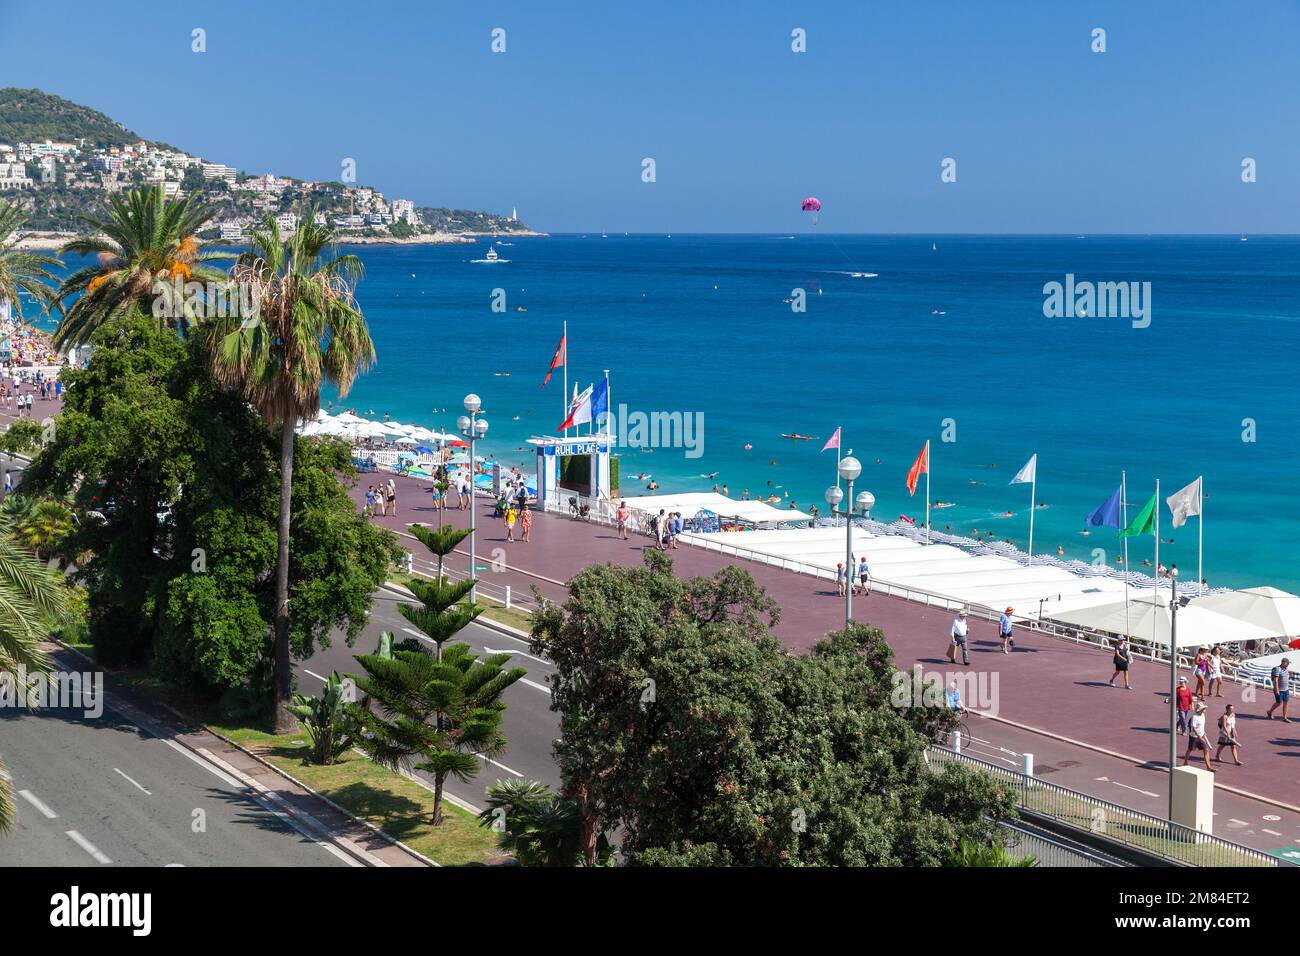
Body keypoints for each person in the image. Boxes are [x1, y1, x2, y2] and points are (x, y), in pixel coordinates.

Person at [1184, 701, 1215, 772]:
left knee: (1206, 750)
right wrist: (1200, 737)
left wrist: (1203, 732)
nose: (1205, 710)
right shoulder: (1194, 717)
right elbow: (1194, 728)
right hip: (1194, 737)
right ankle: (1185, 762)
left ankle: (1209, 767)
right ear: (1200, 709)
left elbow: (1201, 726)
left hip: (1201, 735)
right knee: (1190, 749)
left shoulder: (1203, 715)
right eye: (1203, 708)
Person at [1266, 657, 1291, 722]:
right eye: (1287, 663)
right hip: (1279, 690)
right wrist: (1277, 690)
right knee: (1279, 703)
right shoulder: (1278, 669)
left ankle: (1285, 718)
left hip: (1286, 689)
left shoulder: (1286, 669)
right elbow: (1276, 680)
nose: (1288, 664)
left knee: (1286, 702)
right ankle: (1269, 711)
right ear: (1283, 663)